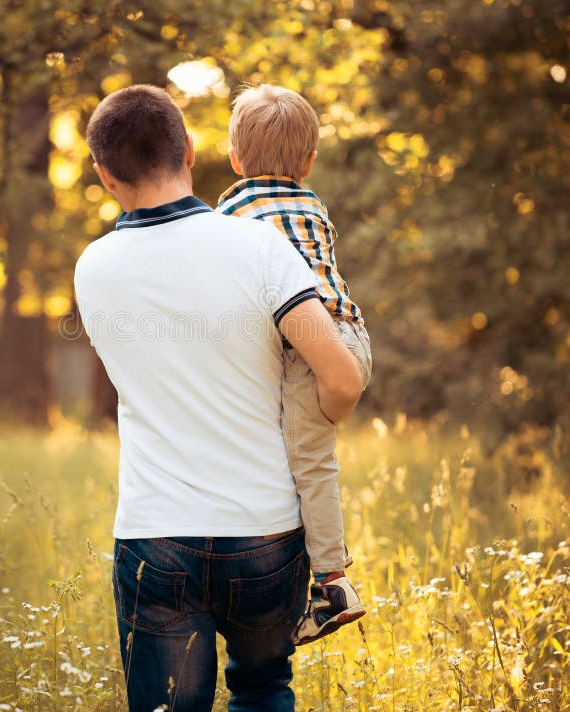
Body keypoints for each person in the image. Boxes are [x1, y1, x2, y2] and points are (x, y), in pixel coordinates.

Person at [74, 84, 363, 712]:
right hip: (265, 533)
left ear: (103, 174)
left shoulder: (92, 267)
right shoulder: (261, 248)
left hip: (157, 533)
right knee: (262, 693)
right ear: (191, 150)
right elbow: (341, 379)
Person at [216, 84, 372, 646]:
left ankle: (332, 583)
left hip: (312, 347)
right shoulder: (314, 204)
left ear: (235, 159)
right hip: (349, 334)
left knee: (311, 464)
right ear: (309, 161)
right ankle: (314, 576)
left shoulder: (231, 212)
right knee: (305, 455)